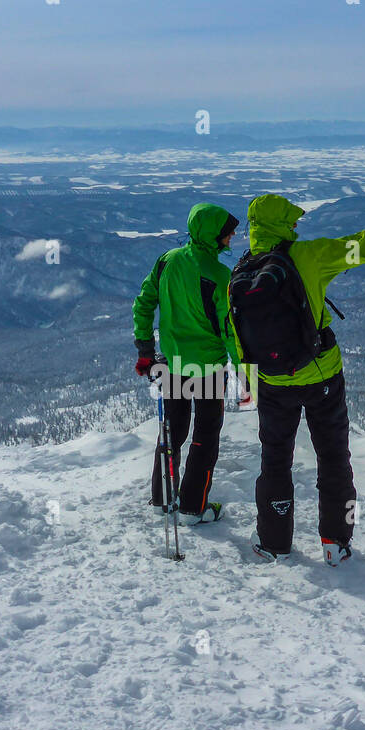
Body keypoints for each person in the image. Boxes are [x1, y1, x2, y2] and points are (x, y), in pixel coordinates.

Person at [234, 193, 365, 565]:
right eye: (291, 220)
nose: (297, 225)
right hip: (322, 376)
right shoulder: (311, 256)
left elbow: (238, 335)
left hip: (272, 383)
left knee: (274, 461)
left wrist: (252, 380)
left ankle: (273, 541)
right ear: (282, 224)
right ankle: (336, 541)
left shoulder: (240, 272)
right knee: (333, 458)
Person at [132, 202, 244, 524]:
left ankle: (162, 498)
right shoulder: (221, 276)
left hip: (172, 363)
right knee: (205, 436)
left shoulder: (168, 261)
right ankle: (194, 507)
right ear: (214, 235)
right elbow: (228, 332)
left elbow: (144, 302)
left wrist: (144, 347)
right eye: (228, 231)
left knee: (172, 431)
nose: (232, 236)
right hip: (208, 369)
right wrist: (244, 372)